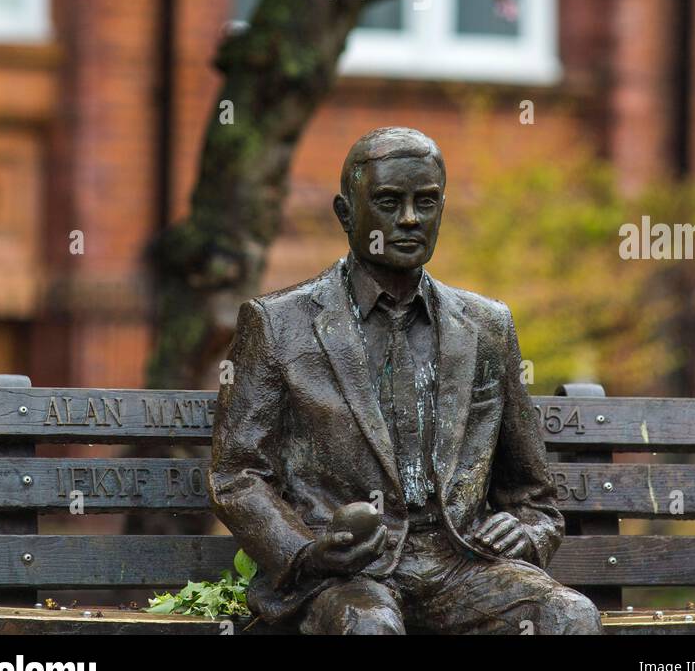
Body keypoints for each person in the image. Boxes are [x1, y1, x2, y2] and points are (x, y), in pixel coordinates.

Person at [210, 126, 603, 635]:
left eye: (427, 201)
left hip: (460, 565)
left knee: (569, 616)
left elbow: (532, 496)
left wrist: (526, 531)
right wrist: (308, 552)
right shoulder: (278, 324)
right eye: (389, 202)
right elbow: (237, 474)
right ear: (346, 214)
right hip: (346, 576)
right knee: (369, 627)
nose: (411, 218)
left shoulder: (487, 326)